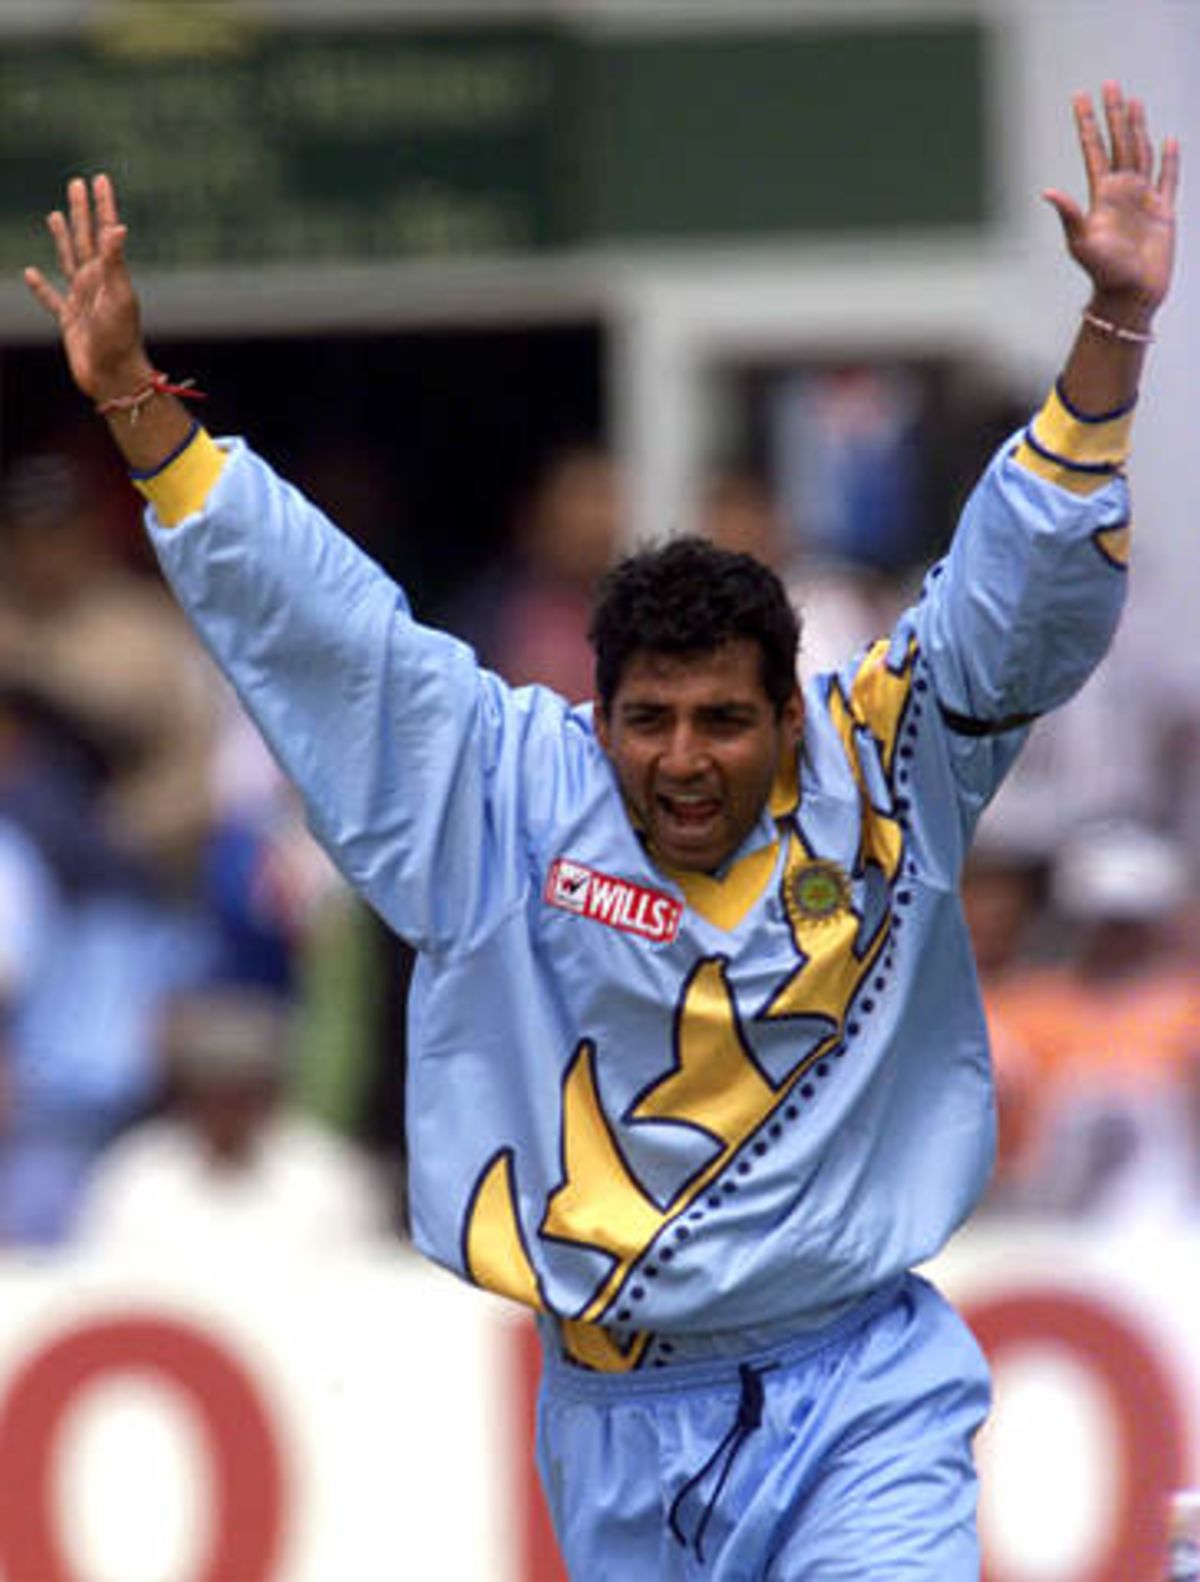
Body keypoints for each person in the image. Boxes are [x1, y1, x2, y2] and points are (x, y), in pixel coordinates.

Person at [23, 81, 1178, 1578]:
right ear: (599, 709)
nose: (684, 761)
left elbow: (1013, 584)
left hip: (863, 1390)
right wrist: (133, 404)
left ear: (792, 712)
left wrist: (1115, 332)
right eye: (649, 721)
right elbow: (331, 631)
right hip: (614, 1418)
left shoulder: (891, 759)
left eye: (724, 721)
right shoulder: (507, 792)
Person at [75, 985, 391, 1255]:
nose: (225, 1110)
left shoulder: (328, 1176)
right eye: (210, 1093)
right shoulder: (137, 1175)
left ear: (269, 1094)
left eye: (241, 1093)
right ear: (187, 1098)